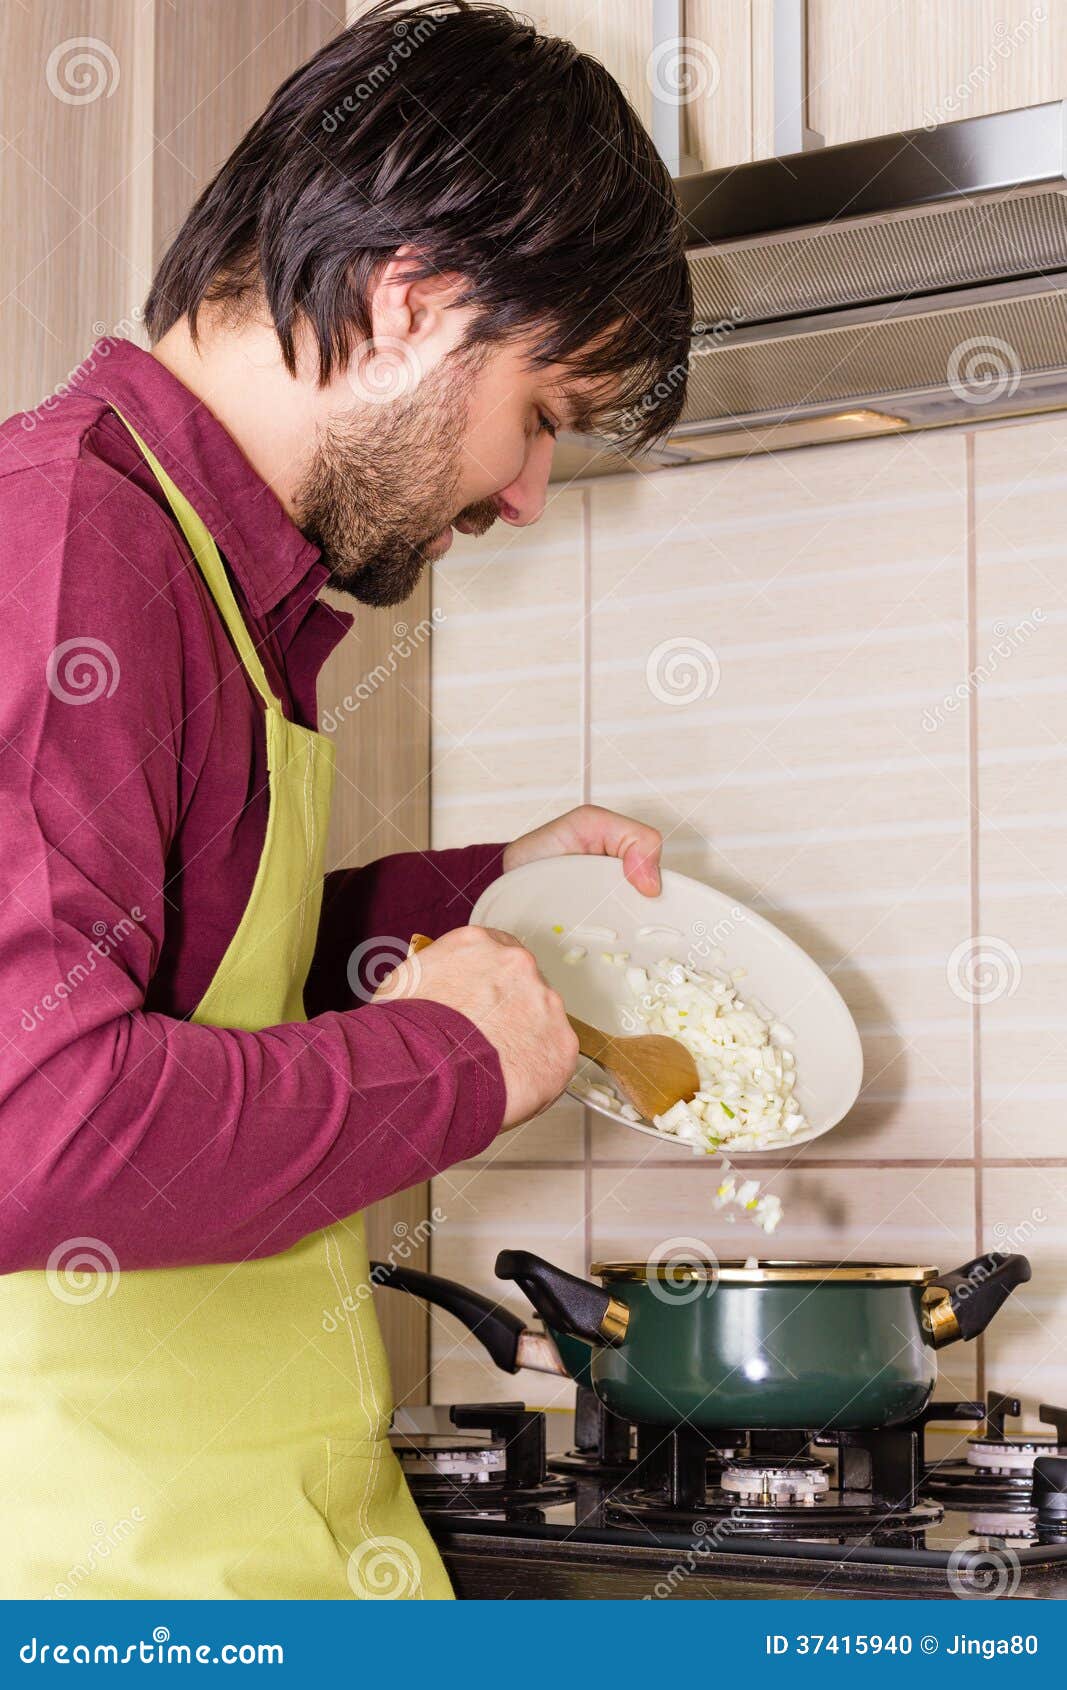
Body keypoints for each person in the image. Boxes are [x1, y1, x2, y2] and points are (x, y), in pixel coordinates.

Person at [0, 0, 691, 1598]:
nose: (528, 494)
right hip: (97, 1587)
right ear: (411, 301)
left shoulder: (215, 575)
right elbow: (33, 1120)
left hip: (264, 1554)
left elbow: (194, 984)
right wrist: (450, 1059)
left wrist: (480, 900)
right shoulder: (71, 547)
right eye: (540, 415)